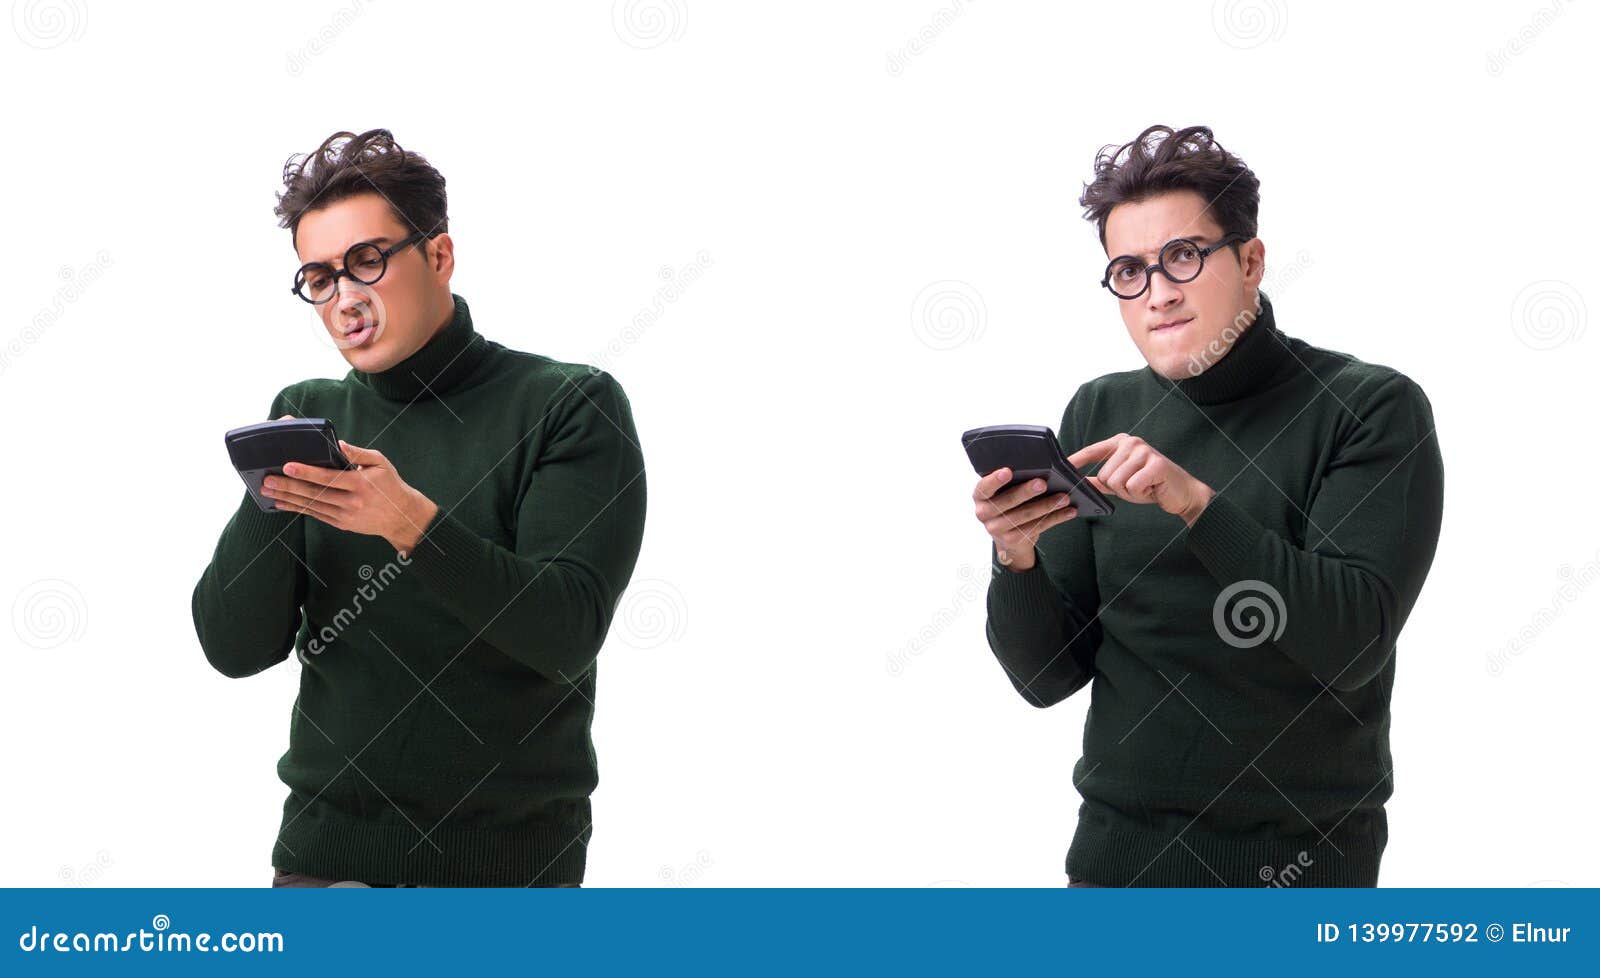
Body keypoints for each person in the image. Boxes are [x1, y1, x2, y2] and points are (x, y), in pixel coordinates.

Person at [973, 124, 1443, 887]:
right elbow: (1046, 678)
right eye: (1129, 271)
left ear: (1251, 261)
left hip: (1299, 879)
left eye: (1183, 257)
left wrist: (1195, 504)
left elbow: (1352, 645)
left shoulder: (1368, 409)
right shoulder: (1099, 410)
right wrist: (1014, 557)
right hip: (1113, 873)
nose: (1158, 293)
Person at [192, 129, 647, 887]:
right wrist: (270, 497)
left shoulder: (568, 405)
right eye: (319, 278)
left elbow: (564, 633)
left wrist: (408, 523)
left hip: (505, 882)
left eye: (367, 261)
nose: (346, 299)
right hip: (320, 872)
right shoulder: (309, 416)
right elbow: (234, 649)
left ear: (439, 256)